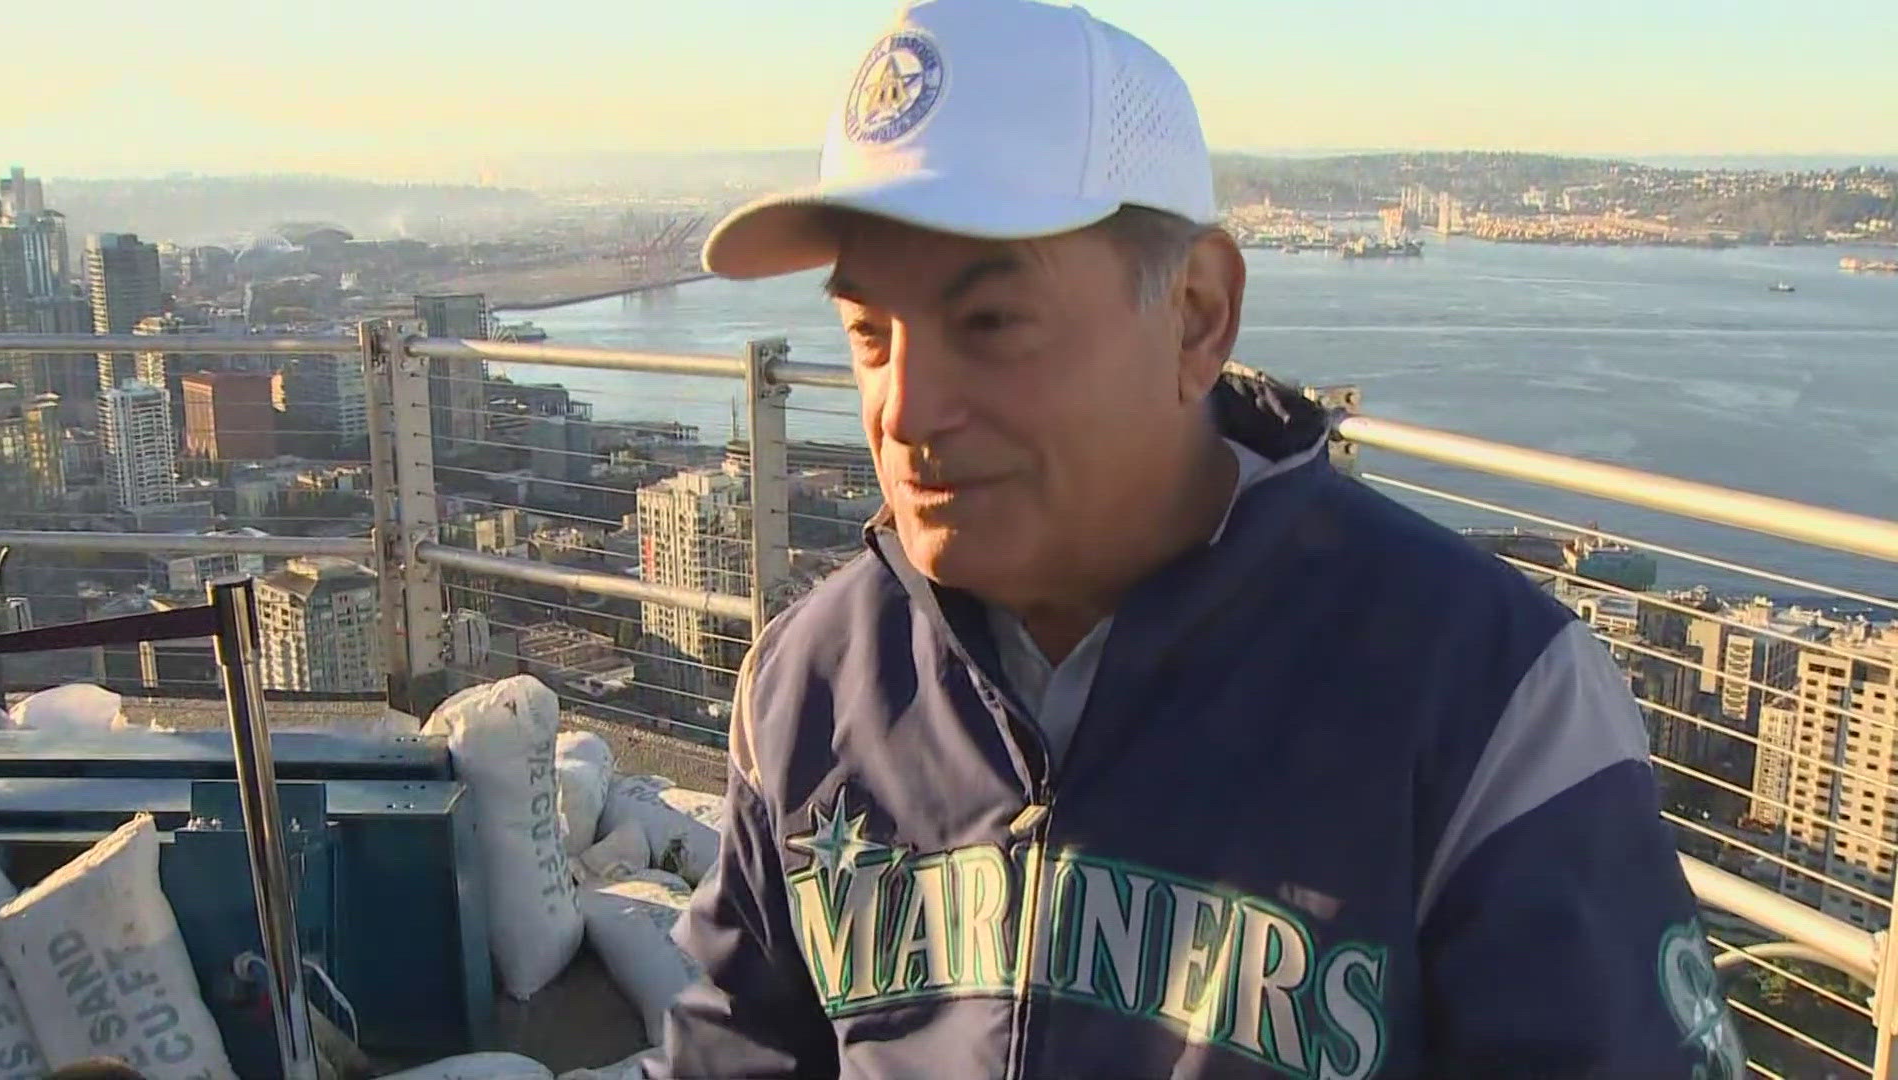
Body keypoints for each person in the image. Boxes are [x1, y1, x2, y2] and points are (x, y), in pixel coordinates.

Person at [652, 0, 1747, 1076]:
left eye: (988, 324)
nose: (903, 407)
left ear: (1196, 316)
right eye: (868, 334)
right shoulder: (812, 684)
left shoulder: (1485, 699)